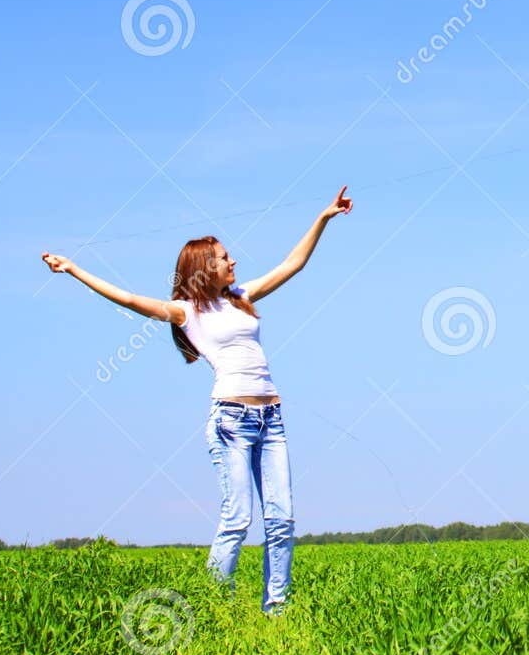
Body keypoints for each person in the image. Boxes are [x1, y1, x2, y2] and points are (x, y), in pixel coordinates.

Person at [42, 186, 353, 615]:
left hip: (271, 417)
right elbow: (130, 300)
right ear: (206, 266)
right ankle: (210, 608)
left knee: (281, 521)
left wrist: (323, 217)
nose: (234, 262)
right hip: (232, 420)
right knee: (238, 519)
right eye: (226, 257)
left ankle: (276, 611)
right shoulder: (187, 311)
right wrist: (75, 269)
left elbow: (292, 265)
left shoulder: (241, 299)